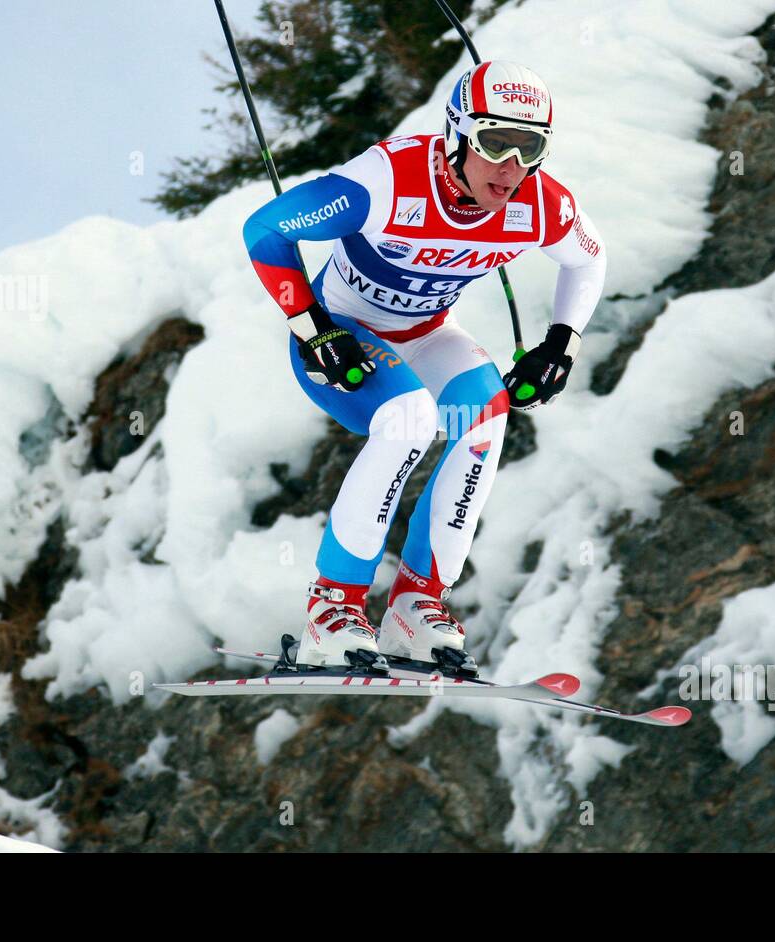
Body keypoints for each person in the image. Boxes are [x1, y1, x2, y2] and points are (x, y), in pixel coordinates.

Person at [242, 60, 606, 673]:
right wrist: (313, 328)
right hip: (346, 337)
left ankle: (415, 606)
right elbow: (266, 232)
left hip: (430, 333)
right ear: (458, 135)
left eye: (531, 148)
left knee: (486, 418)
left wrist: (561, 344)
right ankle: (333, 608)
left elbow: (587, 261)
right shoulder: (386, 181)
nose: (511, 168)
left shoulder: (540, 205)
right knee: (410, 418)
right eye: (495, 144)